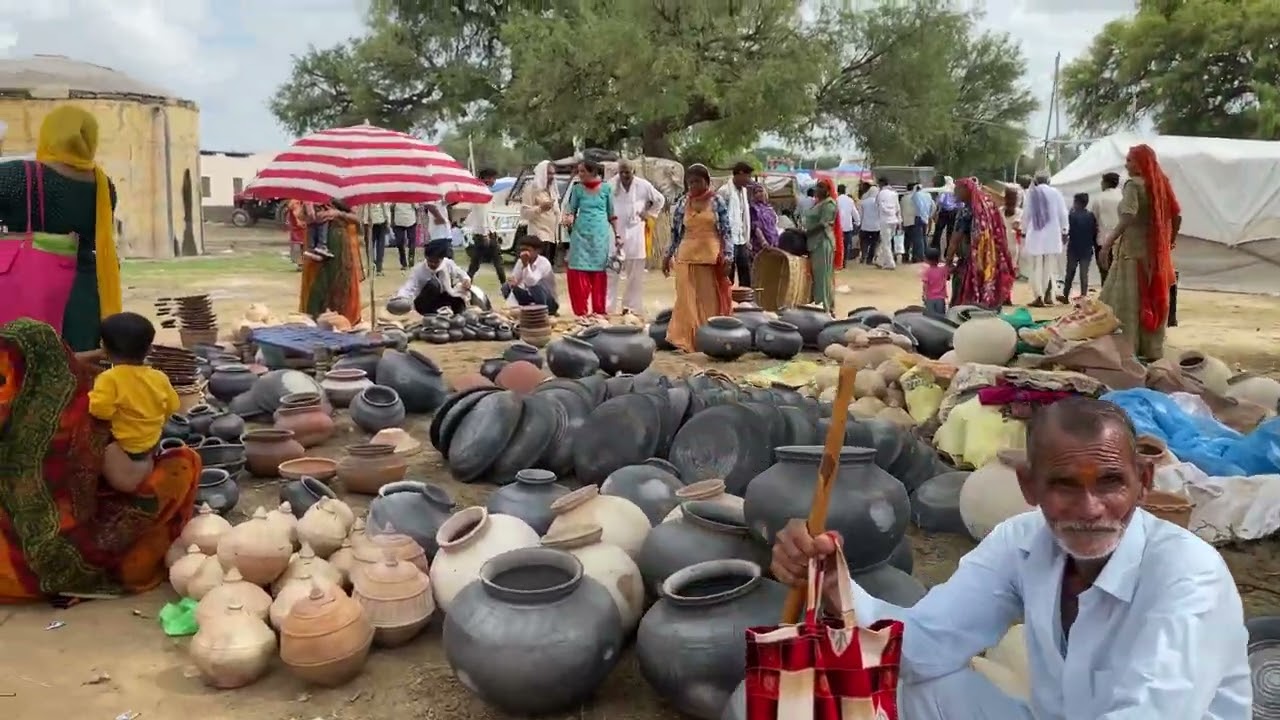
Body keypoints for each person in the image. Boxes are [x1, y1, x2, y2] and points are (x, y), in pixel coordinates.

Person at [769, 396, 1250, 720]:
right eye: (1064, 486)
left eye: (1111, 483)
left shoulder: (1189, 576)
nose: (1090, 510)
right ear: (1029, 486)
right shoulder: (1020, 543)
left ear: (1144, 481)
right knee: (908, 689)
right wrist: (837, 589)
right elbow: (924, 648)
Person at [0, 318, 201, 601]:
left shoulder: (10, 409)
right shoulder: (83, 401)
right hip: (79, 542)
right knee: (184, 462)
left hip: (15, 549)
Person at [0, 105, 122, 353]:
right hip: (86, 293)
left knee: (26, 370)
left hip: (28, 287)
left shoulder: (16, 175)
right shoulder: (103, 185)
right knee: (79, 369)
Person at [1100, 144, 1182, 361]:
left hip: (1131, 253)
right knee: (1152, 299)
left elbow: (1127, 215)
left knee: (1127, 302)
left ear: (1140, 162)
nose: (1126, 165)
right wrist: (1169, 241)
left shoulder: (1133, 186)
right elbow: (1177, 215)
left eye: (1130, 160)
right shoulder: (1161, 183)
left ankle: (1127, 348)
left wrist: (1108, 242)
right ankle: (1151, 349)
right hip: (1154, 255)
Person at [88, 312, 179, 494]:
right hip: (152, 443)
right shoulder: (159, 377)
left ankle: (123, 481)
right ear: (149, 349)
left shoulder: (109, 379)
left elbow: (100, 411)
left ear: (104, 349)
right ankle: (145, 467)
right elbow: (172, 406)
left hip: (124, 447)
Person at [663, 164, 731, 352]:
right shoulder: (683, 203)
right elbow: (675, 233)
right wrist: (667, 255)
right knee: (685, 300)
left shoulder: (717, 202)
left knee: (707, 302)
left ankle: (706, 339)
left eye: (697, 181)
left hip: (709, 257)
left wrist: (729, 256)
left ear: (706, 182)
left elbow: (726, 232)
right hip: (685, 256)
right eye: (690, 182)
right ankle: (685, 341)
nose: (693, 185)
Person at [946, 177, 1016, 308]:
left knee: (963, 293)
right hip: (990, 259)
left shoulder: (966, 211)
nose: (955, 193)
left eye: (957, 190)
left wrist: (948, 262)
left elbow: (955, 239)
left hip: (970, 259)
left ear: (966, 190)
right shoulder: (988, 206)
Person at [609, 159, 665, 313]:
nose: (624, 175)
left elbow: (660, 200)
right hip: (615, 232)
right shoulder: (611, 185)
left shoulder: (643, 185)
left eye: (627, 172)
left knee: (635, 274)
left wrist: (649, 214)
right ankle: (608, 307)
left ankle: (630, 307)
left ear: (633, 171)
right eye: (621, 172)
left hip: (636, 231)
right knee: (612, 272)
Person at [563, 159, 617, 317]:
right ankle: (581, 312)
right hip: (580, 234)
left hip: (600, 234)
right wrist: (569, 218)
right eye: (579, 171)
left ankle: (599, 311)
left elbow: (611, 214)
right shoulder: (577, 189)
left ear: (593, 172)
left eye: (582, 171)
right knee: (578, 269)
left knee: (599, 270)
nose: (579, 175)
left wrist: (618, 235)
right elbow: (571, 210)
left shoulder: (606, 188)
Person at [299, 200, 363, 324]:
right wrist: (310, 212)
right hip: (315, 248)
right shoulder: (314, 193)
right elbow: (302, 217)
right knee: (317, 285)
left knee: (340, 283)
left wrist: (337, 213)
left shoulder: (346, 194)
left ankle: (341, 321)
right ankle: (315, 319)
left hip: (339, 244)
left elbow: (357, 219)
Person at [1021, 174, 1070, 307]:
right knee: (1048, 268)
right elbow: (1063, 213)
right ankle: (1044, 294)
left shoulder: (1032, 194)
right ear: (1048, 181)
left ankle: (1039, 296)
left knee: (1035, 267)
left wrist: (1023, 230)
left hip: (1035, 234)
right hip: (1052, 235)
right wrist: (1065, 230)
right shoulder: (1056, 193)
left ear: (1036, 181)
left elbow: (1026, 214)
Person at [390, 237, 471, 316]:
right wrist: (401, 298)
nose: (432, 264)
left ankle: (458, 315)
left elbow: (461, 273)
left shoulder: (448, 264)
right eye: (430, 261)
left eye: (436, 262)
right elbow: (409, 286)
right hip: (425, 303)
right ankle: (431, 315)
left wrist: (466, 280)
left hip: (443, 298)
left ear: (442, 259)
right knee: (434, 284)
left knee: (458, 291)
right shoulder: (419, 269)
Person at [465, 168, 505, 285]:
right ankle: (505, 285)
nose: (494, 181)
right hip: (484, 233)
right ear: (485, 179)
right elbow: (482, 215)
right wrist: (485, 234)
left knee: (476, 263)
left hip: (485, 232)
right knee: (496, 262)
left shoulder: (482, 191)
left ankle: (467, 281)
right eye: (492, 178)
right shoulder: (482, 193)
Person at [803, 178, 838, 312]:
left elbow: (824, 224)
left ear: (828, 190)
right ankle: (824, 306)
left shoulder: (829, 204)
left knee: (822, 278)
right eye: (818, 186)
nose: (818, 189)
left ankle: (823, 308)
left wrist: (805, 233)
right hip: (815, 243)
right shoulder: (819, 203)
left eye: (822, 187)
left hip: (821, 242)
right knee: (819, 277)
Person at [717, 161, 754, 288]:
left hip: (741, 239)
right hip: (729, 240)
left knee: (745, 272)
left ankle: (746, 302)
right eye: (747, 176)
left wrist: (747, 238)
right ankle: (728, 302)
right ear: (740, 174)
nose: (748, 180)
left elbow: (744, 215)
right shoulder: (724, 191)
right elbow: (718, 218)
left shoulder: (743, 191)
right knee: (729, 274)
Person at [502, 235, 559, 315]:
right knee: (506, 286)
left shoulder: (544, 263)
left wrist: (526, 265)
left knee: (536, 287)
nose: (524, 253)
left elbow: (531, 282)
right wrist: (512, 283)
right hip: (529, 296)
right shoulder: (520, 261)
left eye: (527, 250)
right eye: (522, 250)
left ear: (538, 251)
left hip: (547, 299)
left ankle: (543, 313)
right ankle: (526, 310)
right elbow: (514, 280)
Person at [522, 159, 562, 266]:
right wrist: (540, 208)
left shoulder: (552, 190)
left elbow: (556, 212)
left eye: (553, 173)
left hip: (552, 237)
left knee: (547, 270)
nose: (552, 176)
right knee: (537, 269)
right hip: (538, 237)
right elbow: (524, 213)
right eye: (549, 173)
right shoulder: (531, 189)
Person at [1090, 172, 1122, 286]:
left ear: (1106, 183)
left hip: (1102, 241)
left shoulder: (1099, 198)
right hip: (1121, 241)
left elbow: (1093, 220)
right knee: (1119, 273)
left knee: (1104, 272)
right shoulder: (1123, 197)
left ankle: (1105, 298)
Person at [1065, 192, 1099, 298]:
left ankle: (1066, 294)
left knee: (1070, 272)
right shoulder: (1091, 216)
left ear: (1076, 202)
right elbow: (1094, 231)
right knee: (1084, 274)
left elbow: (1068, 231)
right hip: (1087, 248)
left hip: (1073, 247)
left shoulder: (1072, 215)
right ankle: (1083, 295)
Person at [747, 182, 780, 256]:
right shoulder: (753, 209)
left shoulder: (769, 208)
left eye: (760, 191)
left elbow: (774, 225)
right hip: (761, 245)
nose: (758, 194)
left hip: (774, 241)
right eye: (756, 192)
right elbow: (756, 228)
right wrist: (763, 242)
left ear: (765, 192)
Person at [358, 201, 390, 275]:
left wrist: (361, 221)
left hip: (371, 222)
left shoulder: (365, 195)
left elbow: (361, 208)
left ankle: (371, 266)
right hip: (379, 220)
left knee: (370, 246)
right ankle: (378, 268)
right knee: (380, 246)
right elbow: (385, 207)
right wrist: (388, 220)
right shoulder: (380, 193)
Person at [874, 176, 900, 268]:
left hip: (885, 220)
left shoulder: (880, 194)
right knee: (886, 241)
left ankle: (890, 263)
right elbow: (897, 208)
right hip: (894, 220)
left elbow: (878, 205)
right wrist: (899, 220)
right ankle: (880, 261)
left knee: (886, 243)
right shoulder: (894, 193)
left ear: (881, 184)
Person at [931, 175, 958, 251]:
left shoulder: (944, 189)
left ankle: (935, 247)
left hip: (944, 211)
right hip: (954, 211)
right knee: (951, 231)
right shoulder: (955, 189)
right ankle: (949, 249)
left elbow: (940, 201)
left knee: (938, 230)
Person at [1001, 186, 1023, 277]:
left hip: (1013, 251)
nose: (1012, 201)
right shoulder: (999, 212)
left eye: (1014, 198)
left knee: (1008, 277)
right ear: (1005, 198)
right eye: (1009, 198)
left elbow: (1023, 232)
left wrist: (1019, 229)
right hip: (1000, 251)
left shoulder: (1021, 214)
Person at [910, 183, 934, 264]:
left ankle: (920, 256)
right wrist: (929, 216)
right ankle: (925, 254)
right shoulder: (928, 195)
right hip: (926, 217)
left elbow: (913, 200)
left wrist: (914, 191)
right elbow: (932, 206)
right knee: (924, 237)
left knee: (918, 238)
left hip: (919, 217)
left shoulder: (916, 194)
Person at [920, 247, 949, 317]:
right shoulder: (943, 270)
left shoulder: (927, 272)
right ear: (939, 259)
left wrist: (924, 295)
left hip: (930, 298)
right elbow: (948, 277)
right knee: (941, 316)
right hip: (941, 298)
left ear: (926, 259)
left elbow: (925, 285)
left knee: (930, 317)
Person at [858, 181, 881, 265]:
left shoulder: (864, 201)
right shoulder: (879, 203)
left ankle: (863, 257)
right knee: (874, 244)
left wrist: (859, 223)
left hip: (865, 226)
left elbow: (860, 214)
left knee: (864, 243)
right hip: (876, 227)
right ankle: (870, 259)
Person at [390, 202, 418, 269]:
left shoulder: (412, 194)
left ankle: (411, 260)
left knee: (412, 241)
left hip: (411, 220)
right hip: (398, 221)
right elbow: (390, 207)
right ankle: (403, 263)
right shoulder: (395, 195)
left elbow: (417, 207)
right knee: (399, 242)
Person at [836, 183, 858, 263]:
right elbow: (855, 213)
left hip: (838, 227)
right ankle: (844, 260)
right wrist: (857, 222)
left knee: (838, 245)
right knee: (846, 245)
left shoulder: (836, 200)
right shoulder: (850, 200)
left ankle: (839, 261)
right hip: (848, 227)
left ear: (837, 191)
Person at [900, 183, 919, 263]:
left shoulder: (903, 198)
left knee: (906, 240)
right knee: (915, 240)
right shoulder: (916, 198)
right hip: (914, 221)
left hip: (905, 221)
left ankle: (905, 257)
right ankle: (915, 257)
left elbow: (900, 210)